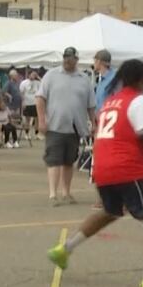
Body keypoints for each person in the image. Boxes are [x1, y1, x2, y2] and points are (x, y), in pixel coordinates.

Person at [46, 60, 143, 287]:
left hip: (103, 166)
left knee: (110, 211)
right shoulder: (139, 100)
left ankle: (65, 249)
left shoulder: (110, 103)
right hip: (127, 167)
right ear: (142, 80)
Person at [36, 47, 95, 205]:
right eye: (65, 58)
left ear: (76, 60)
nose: (67, 61)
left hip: (75, 127)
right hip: (55, 125)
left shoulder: (84, 79)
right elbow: (40, 98)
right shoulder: (51, 75)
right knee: (54, 160)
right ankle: (52, 194)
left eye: (70, 59)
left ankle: (66, 192)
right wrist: (41, 120)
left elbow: (91, 105)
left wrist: (93, 123)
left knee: (69, 161)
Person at [20, 70, 40, 140]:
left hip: (35, 103)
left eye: (35, 75)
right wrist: (23, 103)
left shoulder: (38, 82)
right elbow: (21, 93)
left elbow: (43, 87)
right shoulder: (24, 83)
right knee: (27, 119)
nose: (33, 76)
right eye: (32, 74)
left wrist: (38, 77)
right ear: (29, 75)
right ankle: (26, 133)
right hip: (27, 103)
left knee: (37, 119)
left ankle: (37, 134)